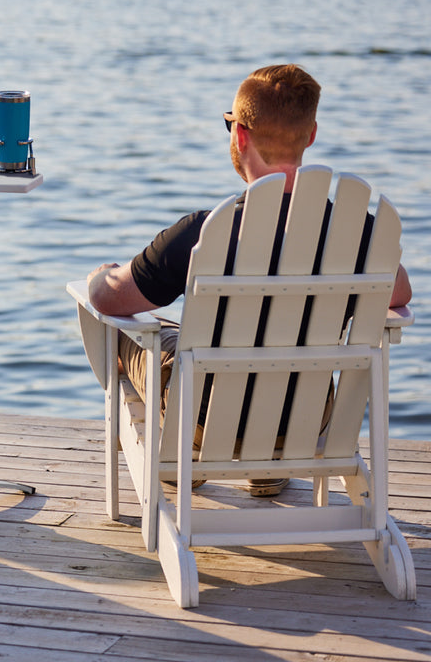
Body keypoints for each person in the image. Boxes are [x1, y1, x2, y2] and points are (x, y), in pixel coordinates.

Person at [86, 64, 412, 497]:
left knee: (125, 333)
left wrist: (100, 277)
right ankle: (269, 463)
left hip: (203, 421)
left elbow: (108, 301)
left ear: (240, 135)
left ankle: (181, 457)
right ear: (311, 135)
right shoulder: (355, 232)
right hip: (306, 421)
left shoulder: (203, 233)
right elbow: (400, 293)